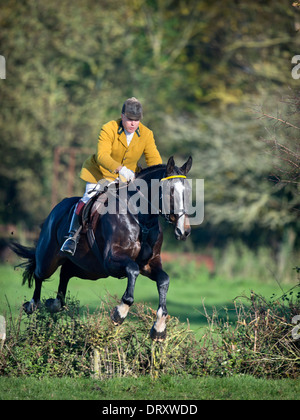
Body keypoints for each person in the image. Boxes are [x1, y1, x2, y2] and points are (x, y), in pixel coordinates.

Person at [60, 97, 162, 255]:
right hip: (99, 174)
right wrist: (120, 169)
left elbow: (154, 160)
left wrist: (160, 175)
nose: (133, 124)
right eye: (129, 119)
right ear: (122, 116)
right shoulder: (109, 128)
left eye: (137, 120)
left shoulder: (147, 134)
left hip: (127, 179)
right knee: (88, 198)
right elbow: (101, 156)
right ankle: (71, 238)